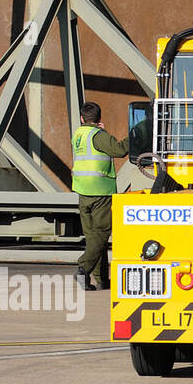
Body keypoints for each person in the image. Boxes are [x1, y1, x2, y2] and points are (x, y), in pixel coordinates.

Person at [71, 102, 127, 292]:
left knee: (93, 238)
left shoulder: (79, 134)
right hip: (100, 190)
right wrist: (134, 137)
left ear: (82, 119)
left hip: (82, 190)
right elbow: (119, 150)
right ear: (99, 118)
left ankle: (101, 280)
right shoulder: (99, 136)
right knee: (101, 234)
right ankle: (83, 269)